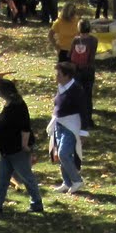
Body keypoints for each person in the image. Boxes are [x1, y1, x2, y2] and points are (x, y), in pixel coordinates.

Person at [0, 78, 44, 213]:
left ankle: (37, 204)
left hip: (17, 150)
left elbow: (25, 128)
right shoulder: (8, 104)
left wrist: (25, 146)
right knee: (3, 179)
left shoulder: (19, 106)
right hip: (5, 151)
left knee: (27, 178)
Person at [49, 59, 88, 193]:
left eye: (59, 74)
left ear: (67, 76)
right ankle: (67, 182)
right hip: (59, 125)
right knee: (60, 155)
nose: (56, 77)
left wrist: (83, 131)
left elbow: (84, 110)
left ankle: (77, 180)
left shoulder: (76, 89)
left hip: (71, 126)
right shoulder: (61, 86)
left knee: (63, 153)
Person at [70, 19, 98, 128]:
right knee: (88, 95)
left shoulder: (75, 40)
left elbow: (70, 54)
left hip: (77, 70)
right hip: (89, 69)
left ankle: (78, 120)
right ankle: (88, 121)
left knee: (78, 95)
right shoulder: (94, 40)